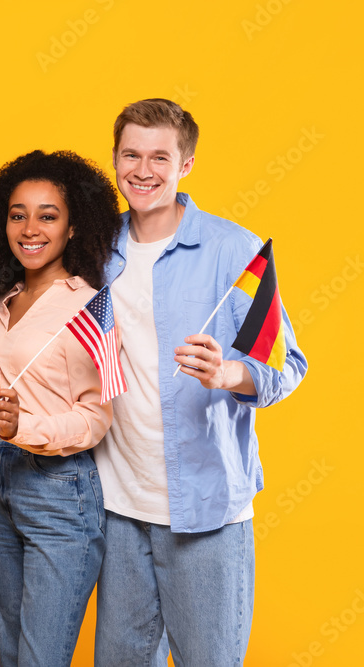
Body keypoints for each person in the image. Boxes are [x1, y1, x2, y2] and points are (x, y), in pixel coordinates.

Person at [92, 98, 308, 665]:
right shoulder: (96, 249)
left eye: (160, 157)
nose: (143, 170)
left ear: (185, 164)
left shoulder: (233, 250)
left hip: (207, 511)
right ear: (114, 158)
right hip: (118, 506)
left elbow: (288, 365)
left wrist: (231, 372)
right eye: (131, 155)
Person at [0, 150, 122, 666]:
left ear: (73, 227)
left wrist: (23, 426)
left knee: (41, 658)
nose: (30, 228)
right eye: (18, 214)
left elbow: (96, 417)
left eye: (48, 216)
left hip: (59, 492)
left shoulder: (87, 306)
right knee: (10, 654)